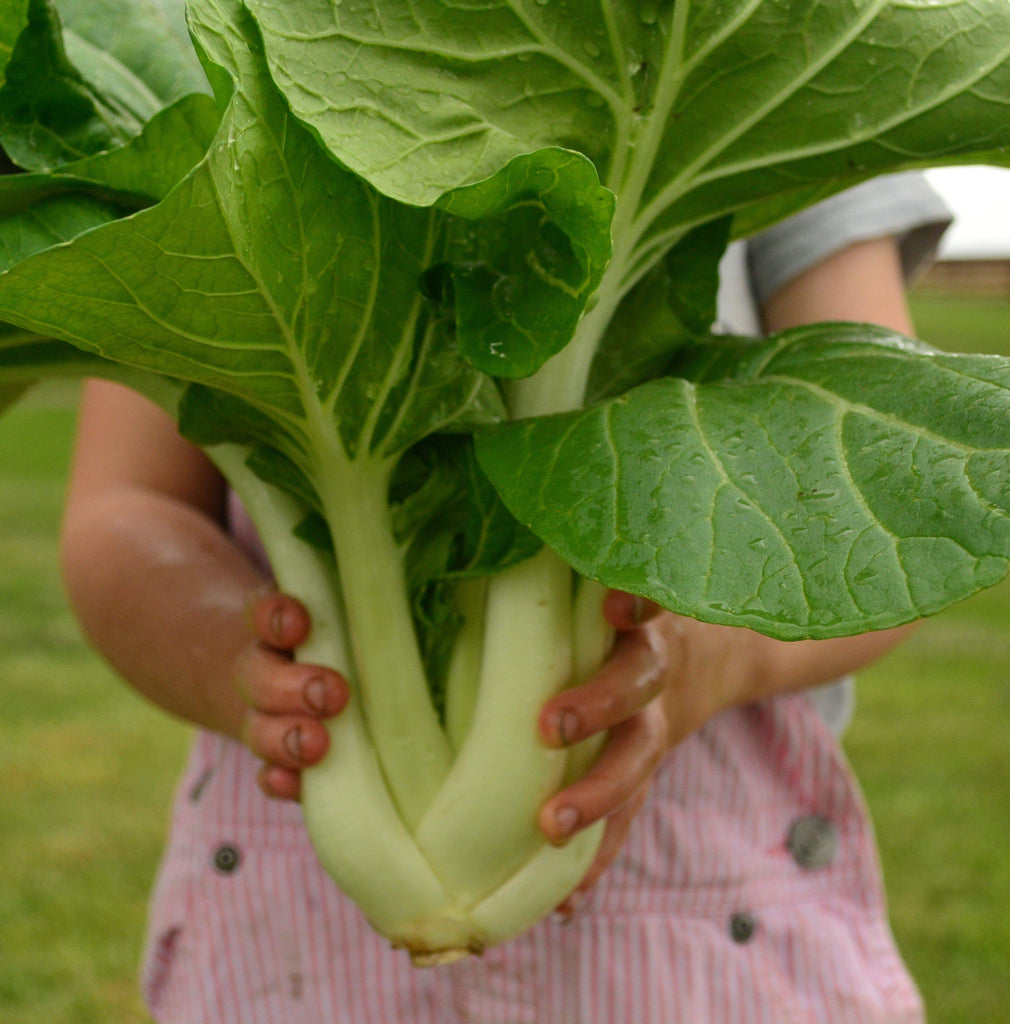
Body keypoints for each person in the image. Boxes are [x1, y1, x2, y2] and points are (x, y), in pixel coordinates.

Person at [60, 172, 950, 1024]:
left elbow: (889, 495)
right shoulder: (210, 78)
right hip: (292, 927)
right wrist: (230, 658)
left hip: (710, 920)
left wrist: (715, 654)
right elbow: (123, 508)